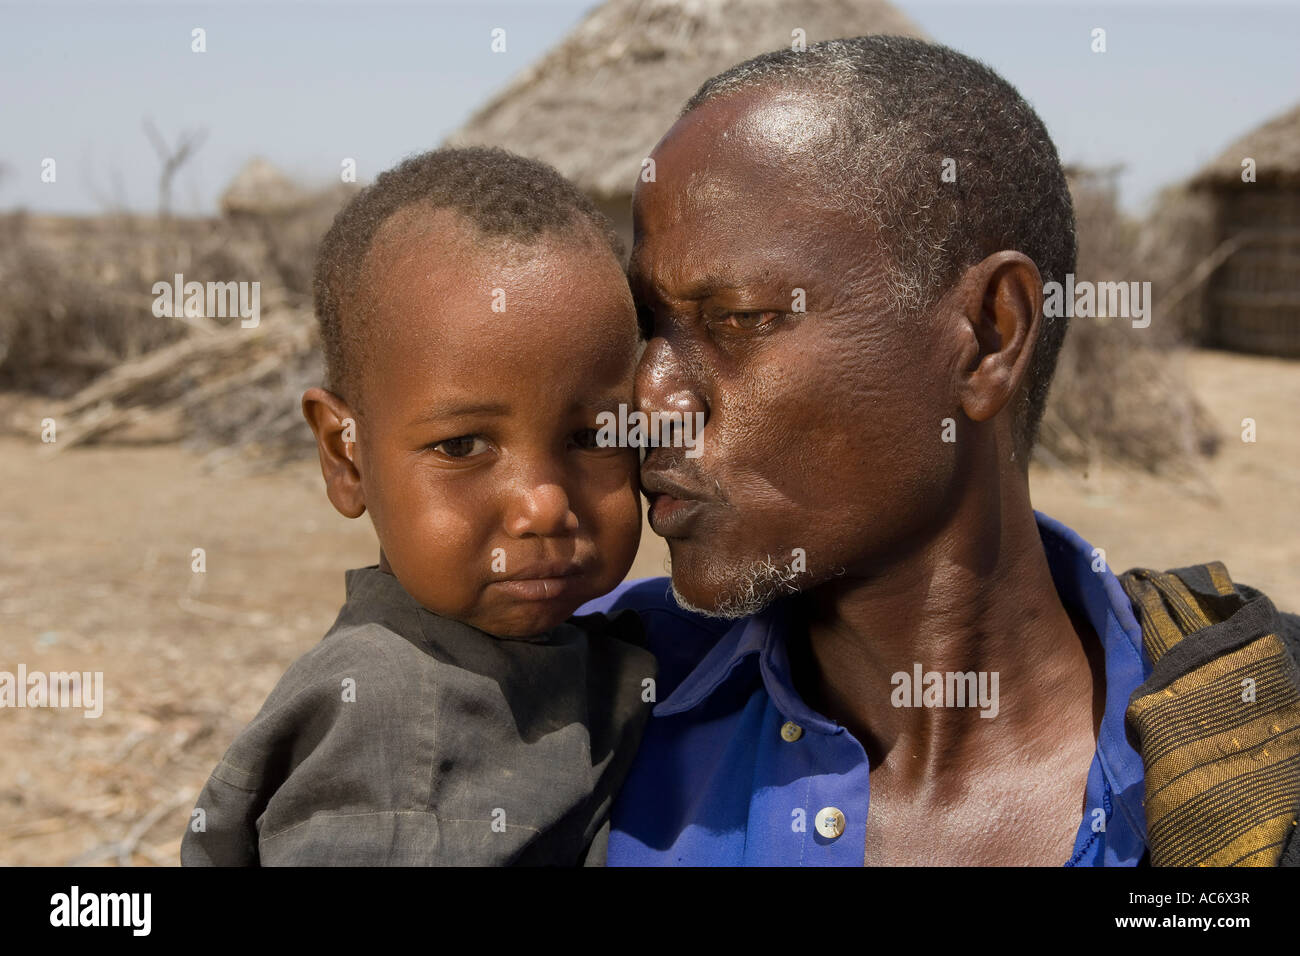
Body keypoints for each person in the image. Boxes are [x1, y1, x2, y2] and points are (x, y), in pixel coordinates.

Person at [583, 35, 1300, 866]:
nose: (651, 400)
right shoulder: (581, 714)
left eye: (739, 318)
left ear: (990, 336)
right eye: (648, 327)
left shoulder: (1253, 750)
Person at [182, 146, 655, 866]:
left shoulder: (602, 649)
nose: (543, 507)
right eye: (462, 446)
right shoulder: (393, 728)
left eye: (592, 437)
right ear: (346, 456)